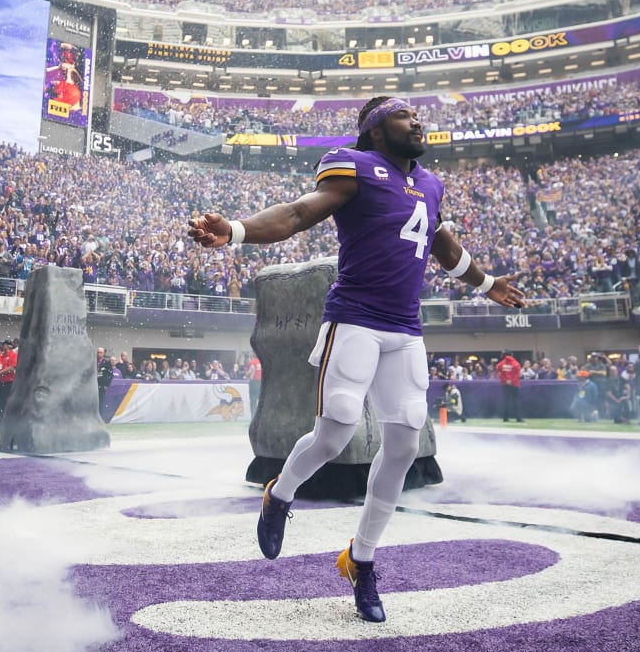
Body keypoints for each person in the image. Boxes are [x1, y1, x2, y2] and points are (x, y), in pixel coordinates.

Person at [187, 96, 525, 623]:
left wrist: (485, 285)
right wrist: (236, 230)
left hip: (405, 328)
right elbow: (299, 213)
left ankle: (361, 560)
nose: (417, 121)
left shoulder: (430, 184)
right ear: (374, 130)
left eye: (416, 114)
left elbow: (441, 243)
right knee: (337, 428)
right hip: (356, 317)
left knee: (405, 443)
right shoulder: (356, 166)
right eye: (403, 116)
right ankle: (281, 493)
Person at [496, 350, 524, 423]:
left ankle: (505, 418)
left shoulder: (500, 364)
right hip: (515, 384)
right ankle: (518, 418)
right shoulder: (516, 364)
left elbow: (499, 374)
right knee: (516, 402)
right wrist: (512, 381)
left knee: (506, 401)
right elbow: (517, 375)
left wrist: (506, 380)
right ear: (511, 354)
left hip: (505, 385)